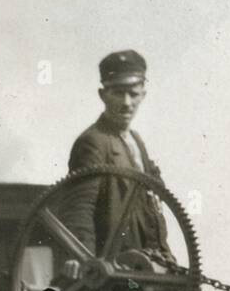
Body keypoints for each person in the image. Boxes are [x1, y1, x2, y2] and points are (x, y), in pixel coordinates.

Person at [63, 49, 174, 265]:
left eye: (133, 94)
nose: (126, 102)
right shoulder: (93, 142)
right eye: (118, 93)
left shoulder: (136, 141)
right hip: (116, 267)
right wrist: (81, 258)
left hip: (148, 262)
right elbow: (80, 207)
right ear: (103, 94)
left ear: (143, 94)